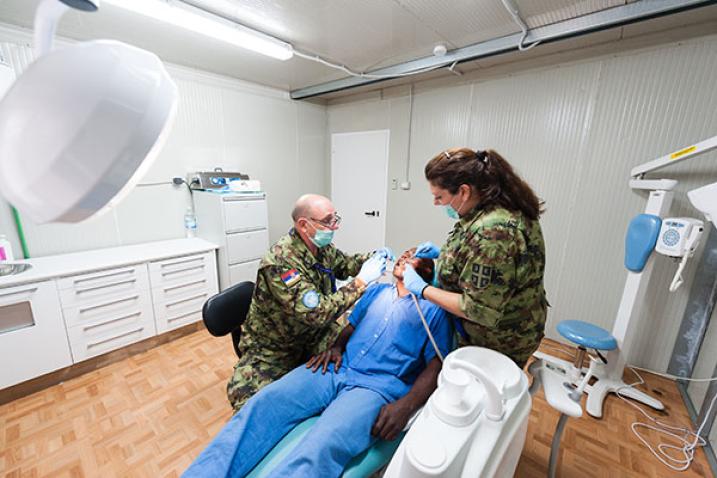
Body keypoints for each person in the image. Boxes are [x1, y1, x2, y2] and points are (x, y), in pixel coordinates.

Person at [184, 249, 452, 478]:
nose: (403, 256)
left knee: (322, 442)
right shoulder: (377, 292)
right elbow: (350, 326)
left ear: (427, 270)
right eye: (404, 252)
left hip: (374, 387)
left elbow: (435, 366)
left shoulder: (434, 311)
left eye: (413, 257)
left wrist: (405, 406)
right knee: (265, 402)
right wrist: (335, 347)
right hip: (336, 368)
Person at [226, 194, 393, 411]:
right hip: (274, 348)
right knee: (252, 405)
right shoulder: (280, 262)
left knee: (356, 355)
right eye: (328, 221)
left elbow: (346, 264)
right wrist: (360, 282)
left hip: (313, 334)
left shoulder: (321, 247)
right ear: (304, 225)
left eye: (336, 219)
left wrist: (373, 257)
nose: (335, 226)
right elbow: (317, 313)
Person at [403, 148, 548, 367]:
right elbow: (491, 267)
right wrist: (444, 255)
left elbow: (477, 309)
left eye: (439, 196)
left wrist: (422, 289)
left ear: (464, 191)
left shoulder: (495, 232)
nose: (436, 203)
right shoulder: (489, 210)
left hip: (499, 341)